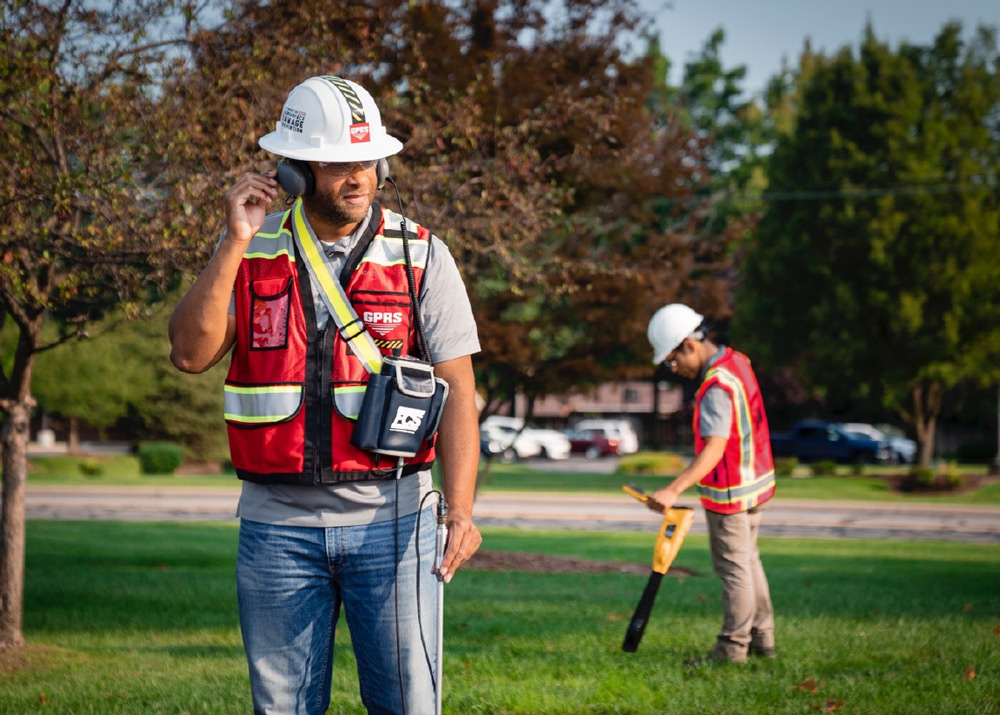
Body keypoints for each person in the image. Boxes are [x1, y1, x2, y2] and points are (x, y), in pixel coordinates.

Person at [168, 75, 482, 714]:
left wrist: (463, 510)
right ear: (296, 168)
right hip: (276, 529)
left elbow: (459, 393)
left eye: (367, 160)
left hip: (395, 521)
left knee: (407, 706)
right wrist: (232, 239)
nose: (358, 176)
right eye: (339, 162)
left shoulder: (421, 255)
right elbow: (189, 353)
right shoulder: (251, 251)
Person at [646, 303, 776, 664]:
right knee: (749, 562)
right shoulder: (737, 363)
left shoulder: (717, 385)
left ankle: (732, 649)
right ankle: (763, 639)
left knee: (733, 569)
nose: (675, 370)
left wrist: (673, 488)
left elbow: (715, 448)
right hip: (756, 484)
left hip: (731, 491)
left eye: (672, 361)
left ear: (689, 344)